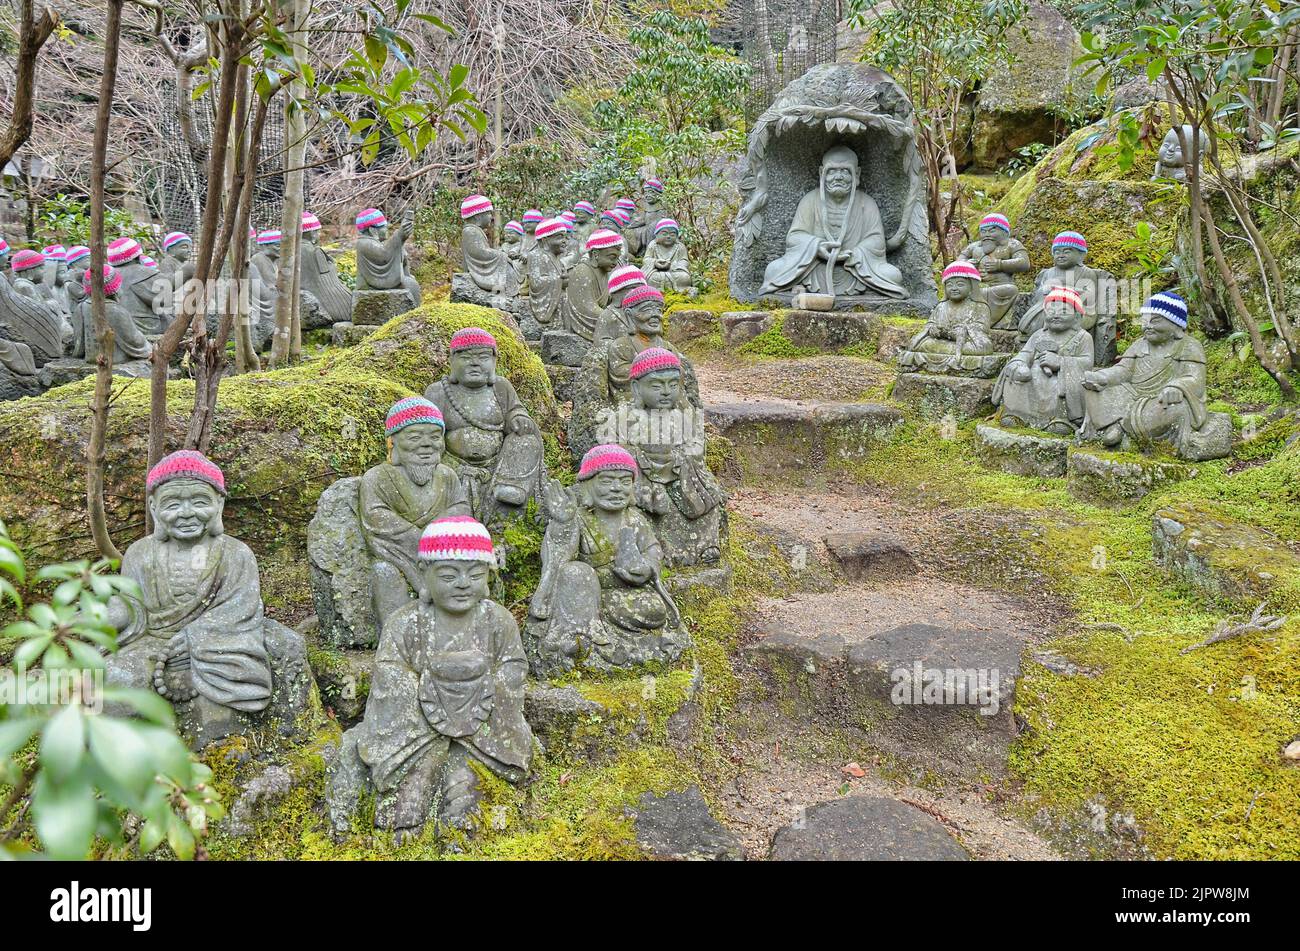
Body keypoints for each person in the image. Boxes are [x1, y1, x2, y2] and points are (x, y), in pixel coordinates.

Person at [329, 516, 533, 838]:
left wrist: (483, 688)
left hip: (482, 733)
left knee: (470, 779)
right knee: (417, 767)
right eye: (449, 575)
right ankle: (415, 791)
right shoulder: (405, 622)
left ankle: (465, 797)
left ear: (487, 579)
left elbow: (513, 668)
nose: (463, 583)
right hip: (418, 735)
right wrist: (430, 692)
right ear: (425, 575)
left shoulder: (498, 621)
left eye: (475, 574)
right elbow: (389, 673)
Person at [360, 397, 470, 634]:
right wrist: (421, 538)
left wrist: (436, 533)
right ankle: (398, 639)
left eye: (434, 436)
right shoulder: (378, 478)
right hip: (398, 554)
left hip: (442, 552)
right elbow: (376, 517)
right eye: (414, 437)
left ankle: (457, 632)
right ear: (392, 443)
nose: (426, 445)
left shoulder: (447, 476)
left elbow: (461, 508)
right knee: (384, 573)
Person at [760, 144, 907, 299]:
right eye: (832, 171)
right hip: (815, 268)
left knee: (893, 275)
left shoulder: (866, 203)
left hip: (854, 268)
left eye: (845, 171)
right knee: (773, 270)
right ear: (821, 173)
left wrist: (853, 255)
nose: (838, 177)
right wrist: (817, 247)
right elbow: (794, 237)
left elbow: (876, 241)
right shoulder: (810, 200)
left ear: (856, 174)